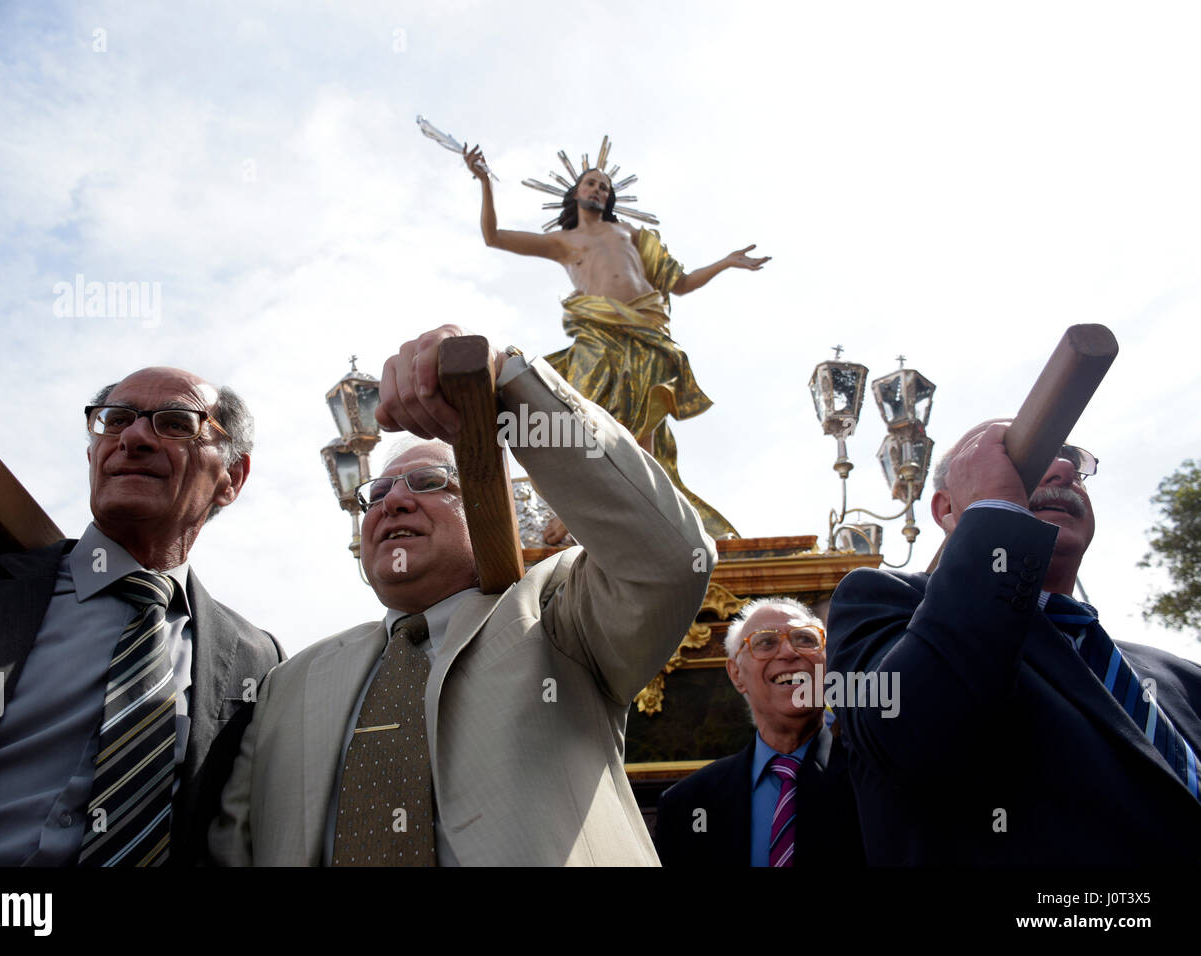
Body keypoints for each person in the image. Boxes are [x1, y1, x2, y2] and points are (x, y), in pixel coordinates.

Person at [208, 324, 715, 866]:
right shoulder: (287, 683)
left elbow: (666, 558)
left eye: (428, 483)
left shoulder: (560, 618)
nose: (392, 503)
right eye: (375, 494)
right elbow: (230, 849)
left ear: (489, 504)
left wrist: (507, 386)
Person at [0, 337, 284, 866]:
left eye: (174, 424)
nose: (133, 438)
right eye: (116, 419)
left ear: (232, 478)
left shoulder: (257, 662)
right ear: (93, 455)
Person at [828, 419, 1201, 864]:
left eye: (1072, 461)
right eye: (1028, 457)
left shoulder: (1179, 675)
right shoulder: (880, 605)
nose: (1062, 469)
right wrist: (997, 515)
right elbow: (914, 735)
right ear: (947, 510)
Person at [461, 144, 768, 540]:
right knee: (580, 418)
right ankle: (579, 508)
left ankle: (651, 513)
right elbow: (494, 237)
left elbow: (682, 283)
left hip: (647, 332)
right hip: (597, 333)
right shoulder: (563, 242)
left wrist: (725, 262)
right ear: (576, 192)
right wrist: (485, 181)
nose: (599, 191)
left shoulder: (632, 234)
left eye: (605, 187)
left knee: (642, 430)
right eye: (591, 184)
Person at [654, 597, 863, 867]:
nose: (788, 651)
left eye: (805, 640)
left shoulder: (875, 782)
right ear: (737, 675)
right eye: (765, 642)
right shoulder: (686, 804)